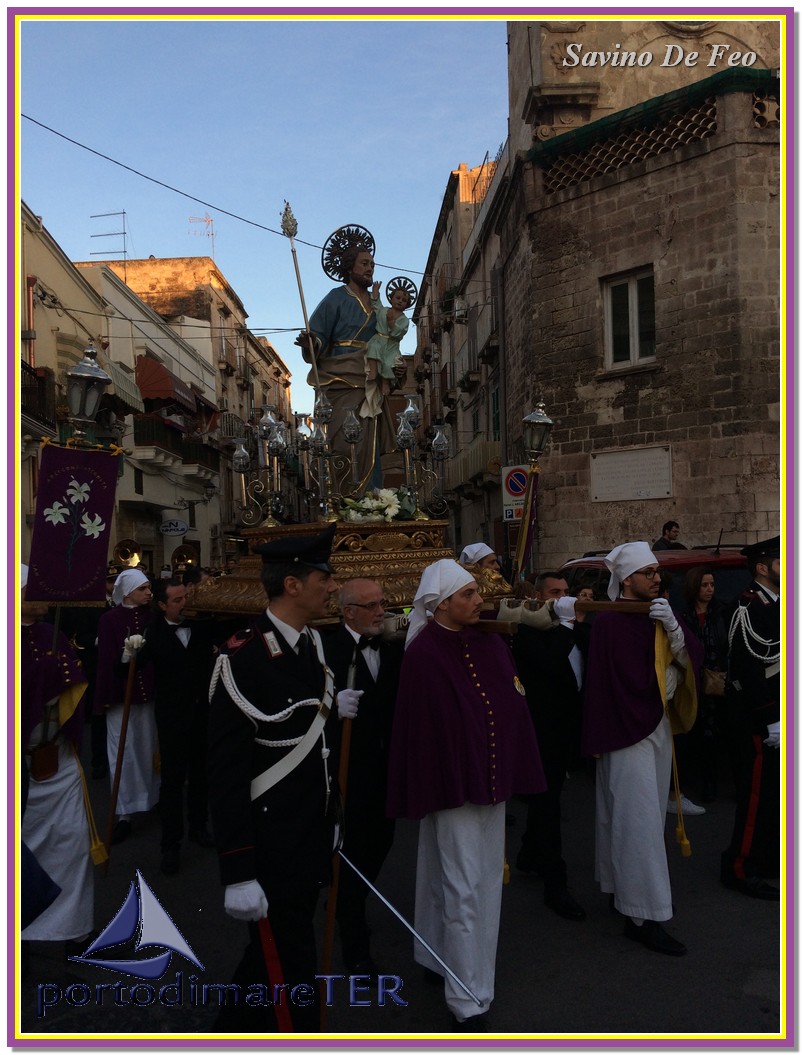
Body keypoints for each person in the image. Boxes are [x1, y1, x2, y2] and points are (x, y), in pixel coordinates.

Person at [207, 524, 359, 1032]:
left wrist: (331, 814)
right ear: (292, 585)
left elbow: (313, 747)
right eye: (323, 578)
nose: (332, 587)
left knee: (274, 952)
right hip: (270, 841)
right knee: (287, 958)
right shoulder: (242, 658)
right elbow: (226, 774)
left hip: (308, 830)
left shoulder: (313, 642)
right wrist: (237, 870)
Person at [386, 559, 545, 1030]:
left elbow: (512, 703)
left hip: (490, 779)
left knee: (463, 878)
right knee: (463, 886)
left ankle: (435, 955)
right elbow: (422, 733)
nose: (479, 601)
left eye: (477, 592)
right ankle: (467, 996)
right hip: (451, 785)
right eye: (468, 594)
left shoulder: (490, 642)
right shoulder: (423, 654)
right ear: (441, 604)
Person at [581, 542, 702, 957]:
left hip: (656, 723)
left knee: (642, 819)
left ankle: (626, 895)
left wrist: (674, 631)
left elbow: (690, 658)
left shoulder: (660, 613)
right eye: (647, 572)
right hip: (625, 729)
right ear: (626, 579)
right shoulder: (610, 621)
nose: (656, 578)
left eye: (656, 571)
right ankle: (644, 915)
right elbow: (610, 681)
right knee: (637, 822)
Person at [321, 578, 403, 977]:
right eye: (371, 606)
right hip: (346, 772)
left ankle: (344, 900)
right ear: (349, 611)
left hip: (385, 770)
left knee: (381, 842)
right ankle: (355, 943)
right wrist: (331, 710)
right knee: (349, 855)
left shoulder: (391, 648)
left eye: (382, 603)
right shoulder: (325, 648)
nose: (380, 612)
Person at [20, 565, 94, 953]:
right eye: (31, 591)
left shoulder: (54, 634)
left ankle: (75, 930)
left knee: (73, 843)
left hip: (58, 758)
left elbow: (75, 679)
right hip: (18, 766)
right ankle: (19, 935)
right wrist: (39, 679)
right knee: (20, 856)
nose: (41, 597)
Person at [296, 242, 405, 492]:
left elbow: (388, 341)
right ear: (349, 268)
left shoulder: (378, 306)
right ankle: (343, 497)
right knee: (343, 444)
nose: (370, 269)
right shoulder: (336, 298)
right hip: (338, 380)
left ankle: (371, 499)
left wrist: (397, 368)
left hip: (370, 378)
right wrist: (311, 342)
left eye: (372, 265)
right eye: (364, 264)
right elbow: (318, 335)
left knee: (369, 444)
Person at [513, 572, 589, 922]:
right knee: (548, 803)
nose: (562, 597)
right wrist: (568, 625)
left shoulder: (574, 627)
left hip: (569, 725)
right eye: (554, 593)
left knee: (549, 797)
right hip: (543, 729)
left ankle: (530, 852)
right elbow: (547, 661)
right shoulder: (528, 630)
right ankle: (555, 884)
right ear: (539, 597)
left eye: (565, 591)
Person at [137, 578, 216, 876]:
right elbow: (129, 669)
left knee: (201, 773)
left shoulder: (202, 625)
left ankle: (199, 825)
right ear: (162, 605)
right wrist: (129, 653)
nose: (185, 604)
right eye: (177, 600)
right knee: (172, 780)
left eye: (186, 597)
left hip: (201, 711)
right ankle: (171, 844)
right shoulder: (153, 633)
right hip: (172, 716)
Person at [720, 536, 781, 900]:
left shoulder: (781, 602)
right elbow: (748, 669)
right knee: (756, 795)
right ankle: (739, 867)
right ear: (762, 567)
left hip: (779, 715)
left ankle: (767, 858)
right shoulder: (747, 606)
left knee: (775, 795)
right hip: (757, 719)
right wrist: (771, 718)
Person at [94, 568, 160, 843]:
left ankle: (151, 798)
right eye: (143, 588)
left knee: (148, 748)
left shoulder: (153, 617)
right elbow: (106, 660)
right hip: (121, 696)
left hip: (149, 695)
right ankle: (124, 812)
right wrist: (123, 659)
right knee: (122, 752)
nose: (148, 593)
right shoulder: (109, 619)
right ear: (129, 591)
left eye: (148, 588)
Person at [58, 561, 121, 779]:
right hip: (97, 664)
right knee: (99, 714)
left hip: (119, 666)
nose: (113, 585)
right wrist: (100, 640)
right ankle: (99, 761)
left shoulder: (122, 603)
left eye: (116, 581)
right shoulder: (89, 605)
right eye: (110, 581)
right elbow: (79, 636)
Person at [680, 566, 730, 803]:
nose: (710, 589)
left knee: (715, 732)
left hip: (717, 680)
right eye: (704, 585)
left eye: (712, 585)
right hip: (692, 680)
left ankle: (712, 782)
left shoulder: (721, 613)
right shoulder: (684, 615)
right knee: (694, 732)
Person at [362, 280, 411, 413]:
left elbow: (397, 332)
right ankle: (373, 372)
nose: (400, 301)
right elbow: (376, 305)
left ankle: (385, 382)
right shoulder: (384, 310)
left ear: (407, 304)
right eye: (397, 298)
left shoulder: (404, 320)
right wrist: (375, 292)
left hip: (392, 345)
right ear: (391, 298)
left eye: (404, 300)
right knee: (373, 348)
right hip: (379, 339)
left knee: (390, 362)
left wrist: (390, 322)